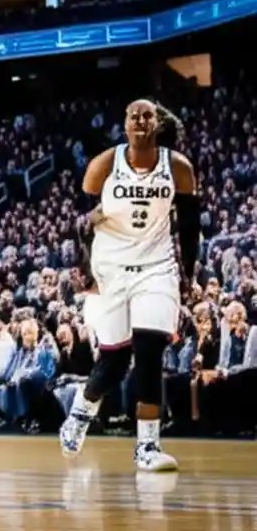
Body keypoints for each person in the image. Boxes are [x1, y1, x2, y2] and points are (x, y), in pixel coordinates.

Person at [59, 99, 196, 472]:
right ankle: (81, 411)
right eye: (132, 114)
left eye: (147, 114)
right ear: (124, 124)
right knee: (116, 362)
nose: (139, 119)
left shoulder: (178, 168)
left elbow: (190, 228)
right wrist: (84, 271)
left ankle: (147, 446)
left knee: (150, 350)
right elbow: (81, 223)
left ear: (156, 124)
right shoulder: (104, 165)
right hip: (111, 268)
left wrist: (190, 274)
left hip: (157, 266)